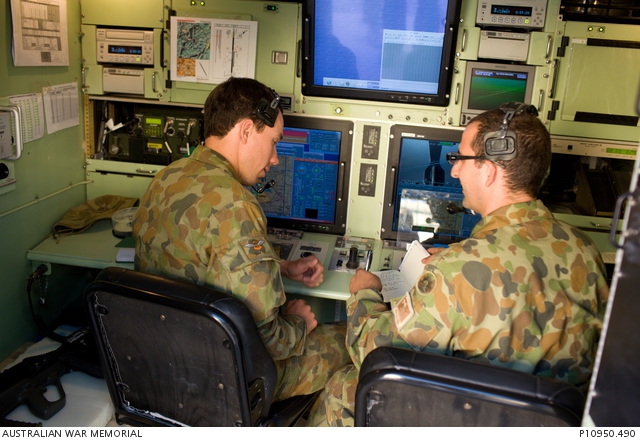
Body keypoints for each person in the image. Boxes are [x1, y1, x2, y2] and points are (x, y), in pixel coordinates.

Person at [308, 102, 610, 426]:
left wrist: (363, 293)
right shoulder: (585, 251)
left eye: (460, 159)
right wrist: (452, 267)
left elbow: (375, 355)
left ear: (490, 171)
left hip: (466, 420)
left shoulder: (456, 270)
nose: (453, 170)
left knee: (343, 386)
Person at [132, 77, 350, 401]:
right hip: (227, 378)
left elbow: (203, 259)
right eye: (274, 141)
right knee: (351, 340)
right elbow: (269, 342)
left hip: (164, 361)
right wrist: (300, 324)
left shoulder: (165, 178)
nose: (275, 158)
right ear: (246, 131)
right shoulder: (236, 205)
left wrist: (282, 266)